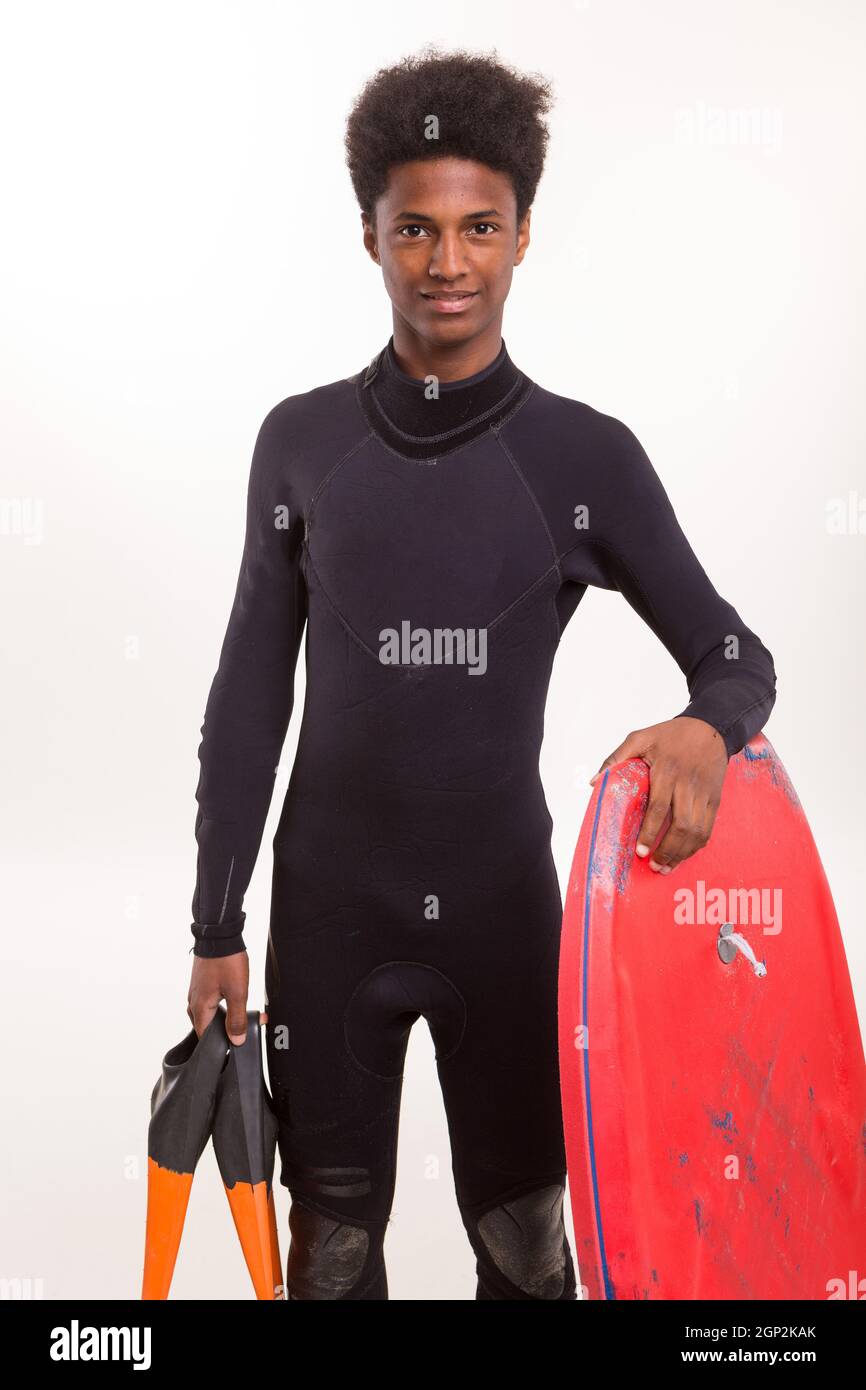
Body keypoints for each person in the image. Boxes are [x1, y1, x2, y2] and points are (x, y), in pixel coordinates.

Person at [185, 47, 777, 1300]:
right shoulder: (299, 446)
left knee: (522, 1242)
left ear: (520, 236)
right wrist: (215, 926)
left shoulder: (584, 456)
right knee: (330, 1254)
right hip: (327, 920)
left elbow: (731, 652)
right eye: (415, 227)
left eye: (476, 227)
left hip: (508, 923)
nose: (445, 260)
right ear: (368, 235)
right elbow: (249, 695)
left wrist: (703, 728)